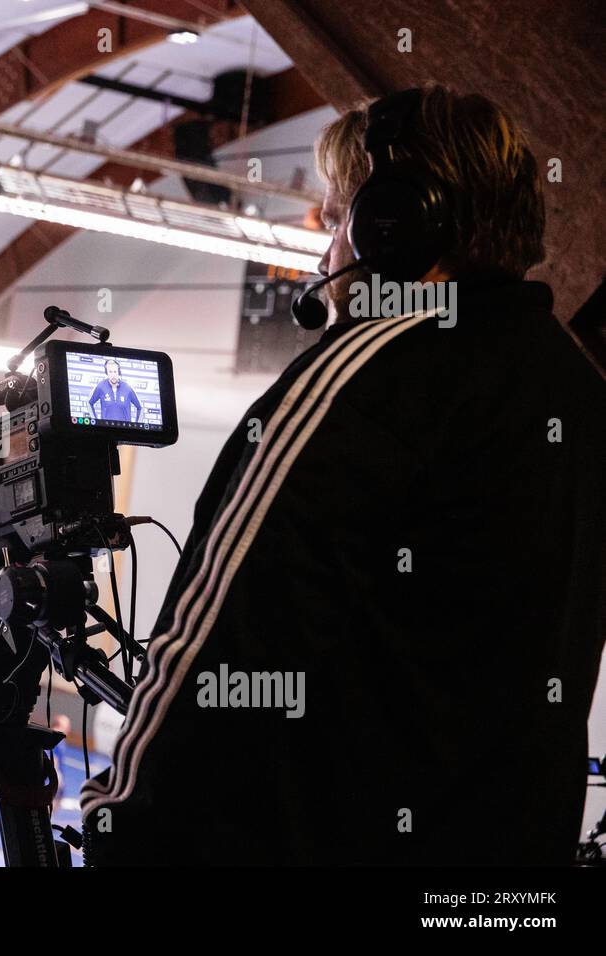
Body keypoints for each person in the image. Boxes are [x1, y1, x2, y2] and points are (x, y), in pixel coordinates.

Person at [81, 86, 606, 865]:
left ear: (396, 225)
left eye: (336, 217)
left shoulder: (371, 370)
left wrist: (122, 824)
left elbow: (217, 649)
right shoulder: (577, 385)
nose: (327, 249)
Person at [87, 358, 142, 423]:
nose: (113, 375)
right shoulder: (100, 387)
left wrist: (136, 425)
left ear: (119, 372)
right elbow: (89, 403)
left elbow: (140, 407)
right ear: (106, 373)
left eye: (115, 371)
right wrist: (95, 422)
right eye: (110, 372)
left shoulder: (128, 388)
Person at [50, 715, 72, 816]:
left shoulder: (55, 738)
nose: (69, 729)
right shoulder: (57, 738)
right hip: (54, 775)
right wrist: (58, 777)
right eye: (67, 726)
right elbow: (53, 758)